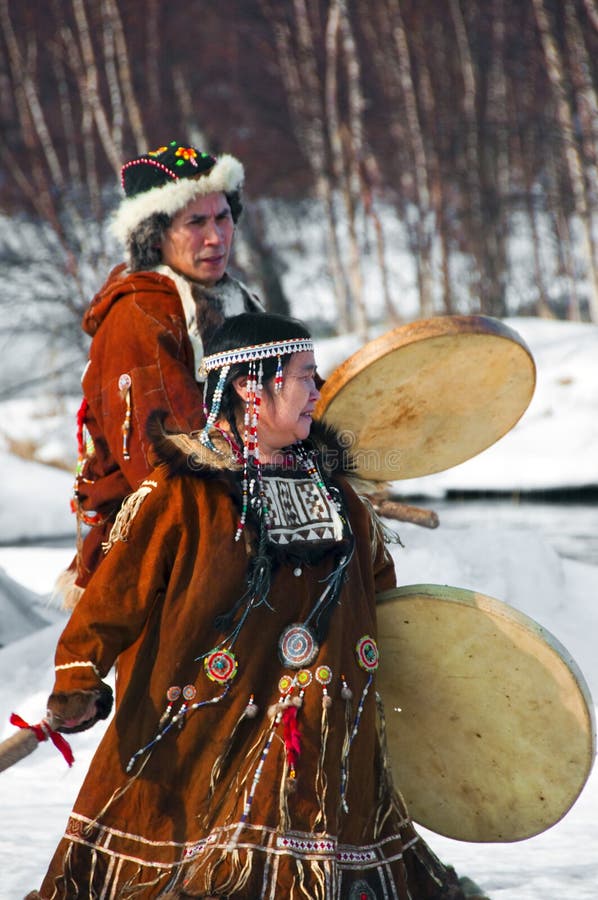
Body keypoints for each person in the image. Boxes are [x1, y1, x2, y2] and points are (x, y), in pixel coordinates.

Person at [28, 313, 472, 899]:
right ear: (249, 387)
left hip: (321, 729)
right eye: (304, 377)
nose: (318, 392)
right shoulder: (183, 493)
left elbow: (385, 601)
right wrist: (79, 677)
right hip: (209, 727)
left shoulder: (338, 497)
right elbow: (115, 597)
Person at [60, 140, 263, 609]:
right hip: (154, 553)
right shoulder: (141, 314)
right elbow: (172, 453)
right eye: (195, 222)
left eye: (222, 217)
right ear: (155, 235)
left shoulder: (237, 299)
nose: (216, 237)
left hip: (233, 510)